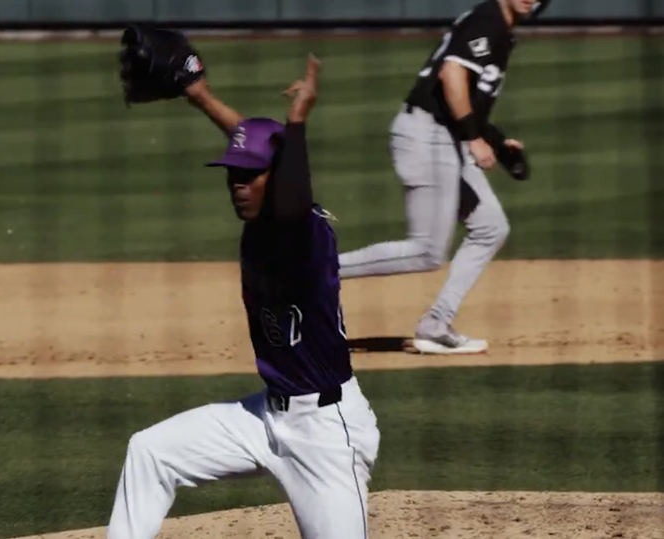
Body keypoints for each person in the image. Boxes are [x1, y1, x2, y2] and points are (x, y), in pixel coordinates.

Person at [107, 54, 380, 539]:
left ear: (276, 178)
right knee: (150, 451)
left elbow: (288, 178)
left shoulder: (300, 231)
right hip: (264, 417)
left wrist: (298, 120)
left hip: (325, 434)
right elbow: (252, 144)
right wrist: (201, 97)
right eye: (231, 174)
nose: (237, 185)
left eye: (249, 175)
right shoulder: (262, 211)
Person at [337, 0, 549, 355]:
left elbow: (468, 98)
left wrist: (495, 140)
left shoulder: (497, 25)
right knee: (427, 251)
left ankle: (435, 326)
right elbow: (451, 75)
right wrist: (473, 138)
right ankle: (312, 270)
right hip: (429, 138)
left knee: (491, 227)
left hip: (442, 138)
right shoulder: (490, 20)